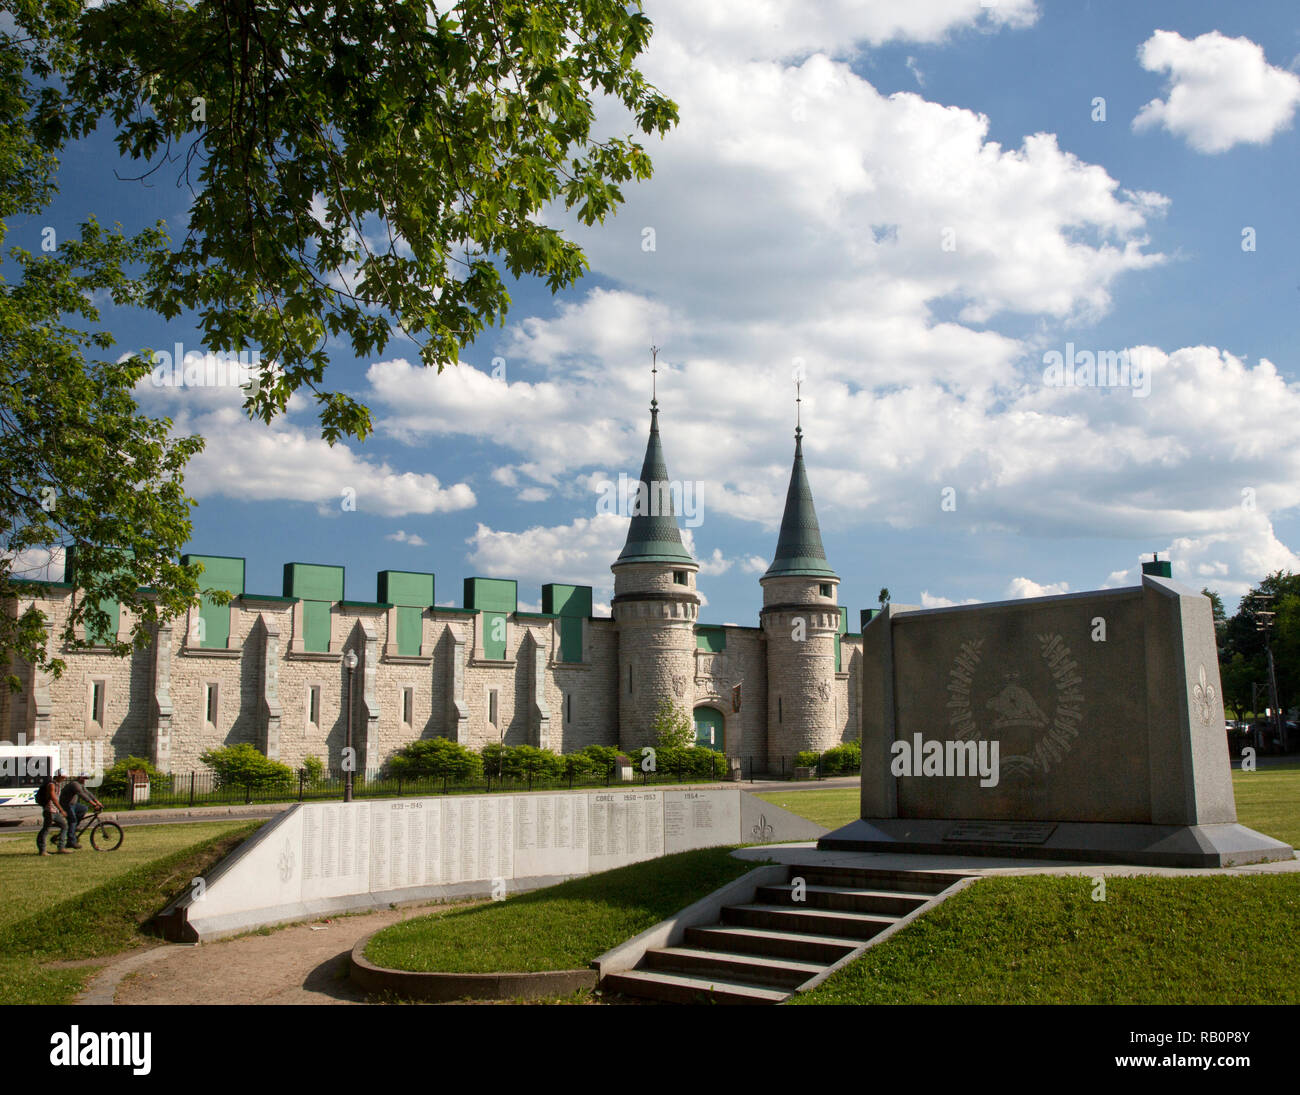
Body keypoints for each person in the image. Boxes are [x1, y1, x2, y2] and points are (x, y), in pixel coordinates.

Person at [59, 773, 103, 850]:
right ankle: (71, 841)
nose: (85, 780)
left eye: (86, 778)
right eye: (84, 778)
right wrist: (93, 804)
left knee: (84, 808)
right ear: (79, 778)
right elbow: (82, 795)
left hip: (73, 804)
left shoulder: (80, 784)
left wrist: (97, 802)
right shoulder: (75, 784)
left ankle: (74, 828)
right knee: (73, 820)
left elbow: (88, 793)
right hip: (66, 805)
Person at [35, 771, 72, 855]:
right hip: (49, 811)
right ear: (58, 776)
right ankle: (42, 850)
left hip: (55, 811)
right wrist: (61, 810)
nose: (64, 779)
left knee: (64, 825)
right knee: (46, 829)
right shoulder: (51, 785)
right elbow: (53, 798)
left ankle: (61, 847)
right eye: (63, 777)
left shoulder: (57, 785)